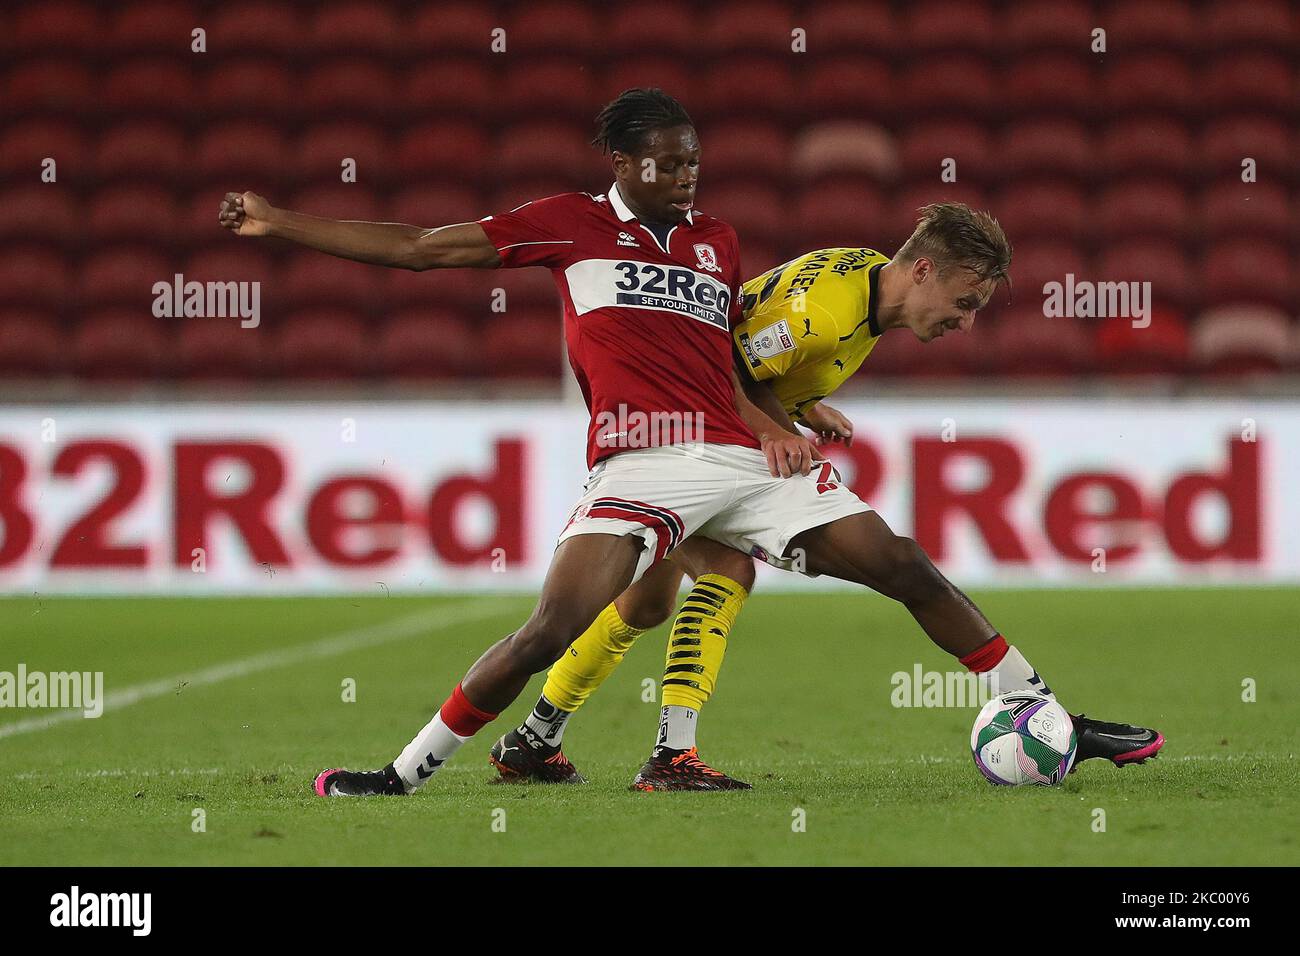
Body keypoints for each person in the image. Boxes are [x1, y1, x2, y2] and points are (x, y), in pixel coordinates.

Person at [218, 89, 1162, 799]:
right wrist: (279, 222)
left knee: (904, 564)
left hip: (743, 459)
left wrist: (776, 427)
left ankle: (1041, 708)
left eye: (693, 163)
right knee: (558, 623)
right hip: (646, 455)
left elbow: (722, 356)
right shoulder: (567, 226)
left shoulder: (716, 241)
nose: (684, 177)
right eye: (666, 163)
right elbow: (422, 247)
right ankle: (405, 773)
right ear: (623, 163)